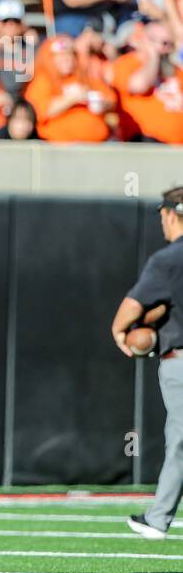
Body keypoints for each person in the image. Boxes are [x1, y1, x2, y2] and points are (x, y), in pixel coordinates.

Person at [111, 188, 183, 538]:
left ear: (171, 214)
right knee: (178, 437)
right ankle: (158, 517)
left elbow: (132, 307)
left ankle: (158, 519)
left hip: (180, 362)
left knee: (181, 438)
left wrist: (121, 331)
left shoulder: (169, 259)